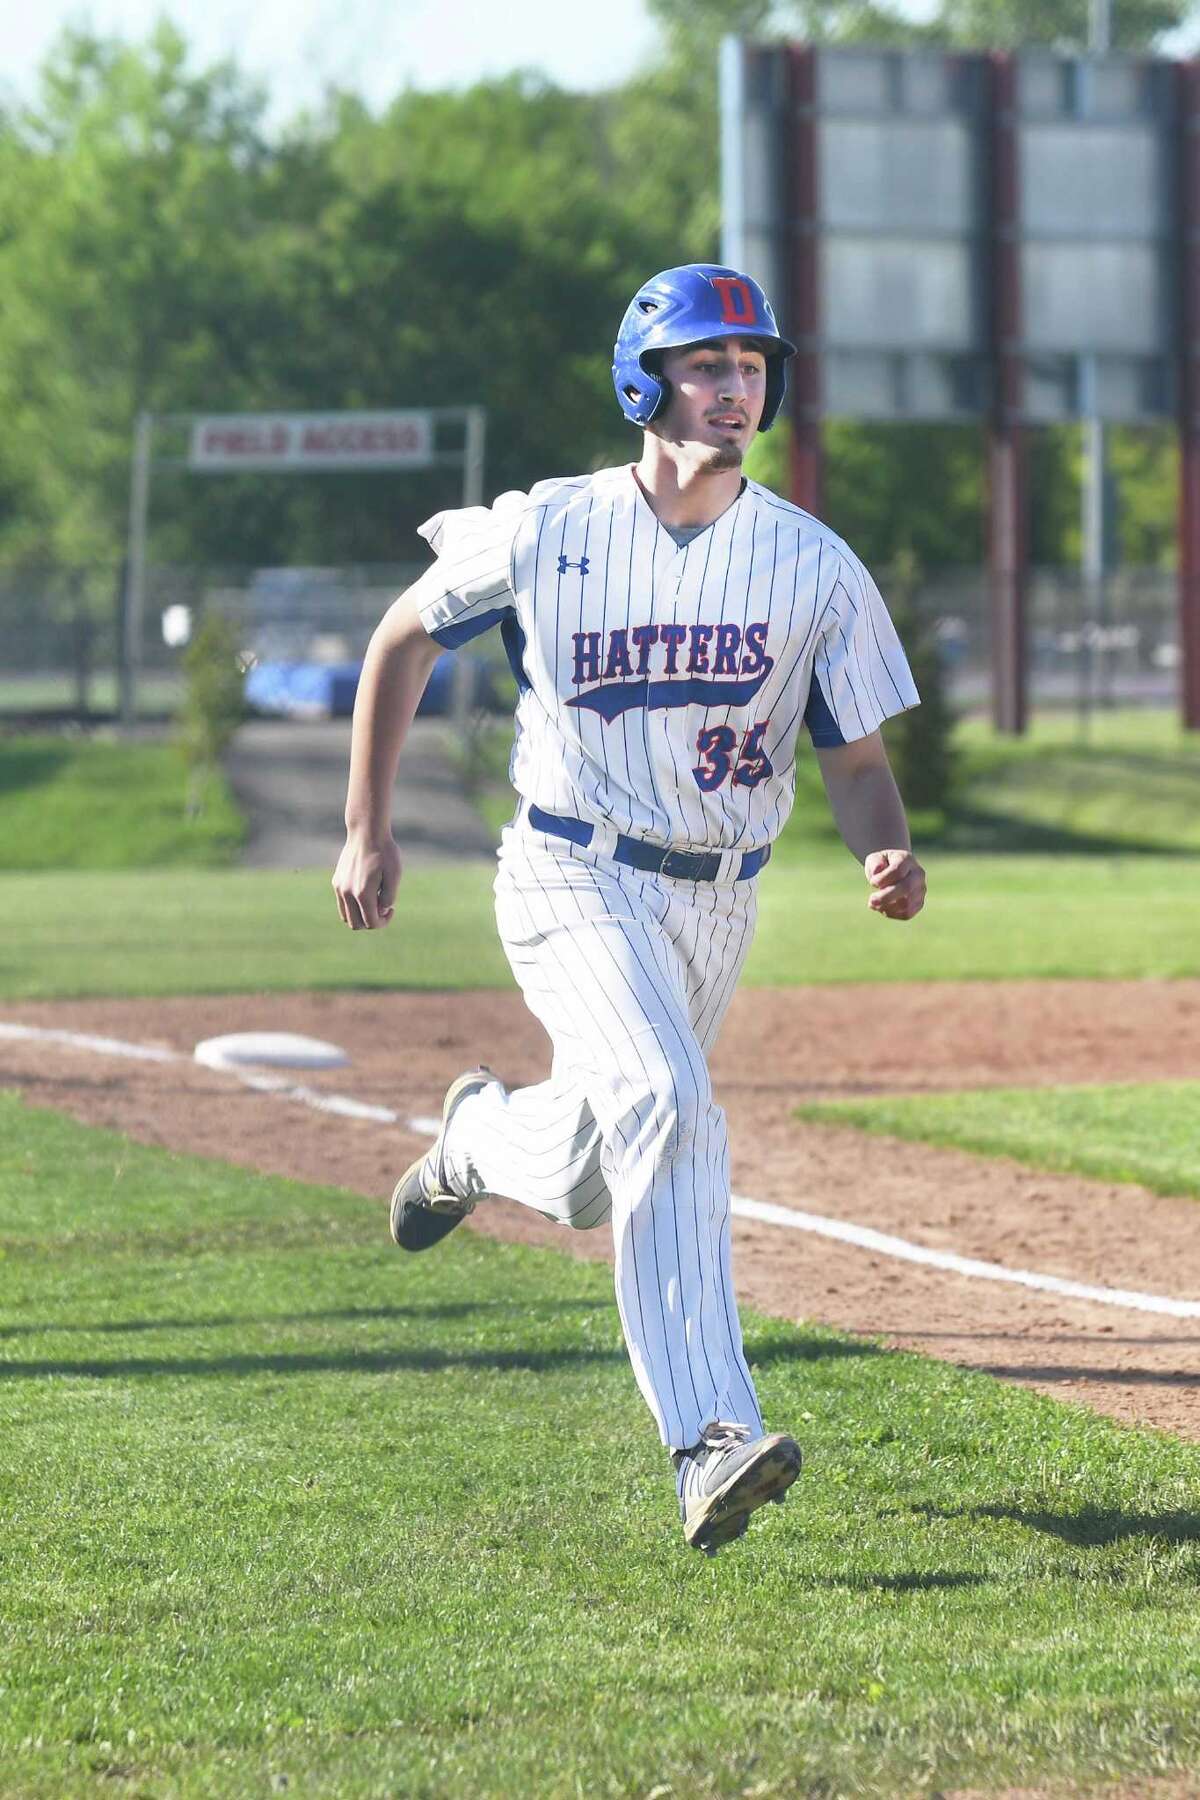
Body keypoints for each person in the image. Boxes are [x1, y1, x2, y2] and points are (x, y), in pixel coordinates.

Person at [332, 263, 926, 1554]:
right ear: (645, 382)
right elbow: (400, 641)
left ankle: (479, 1141)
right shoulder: (553, 530)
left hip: (718, 901)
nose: (734, 388)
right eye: (709, 366)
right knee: (669, 1100)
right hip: (569, 868)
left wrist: (889, 853)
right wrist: (366, 828)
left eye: (752, 367)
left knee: (602, 1171)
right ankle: (710, 1437)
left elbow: (862, 763)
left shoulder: (811, 564)